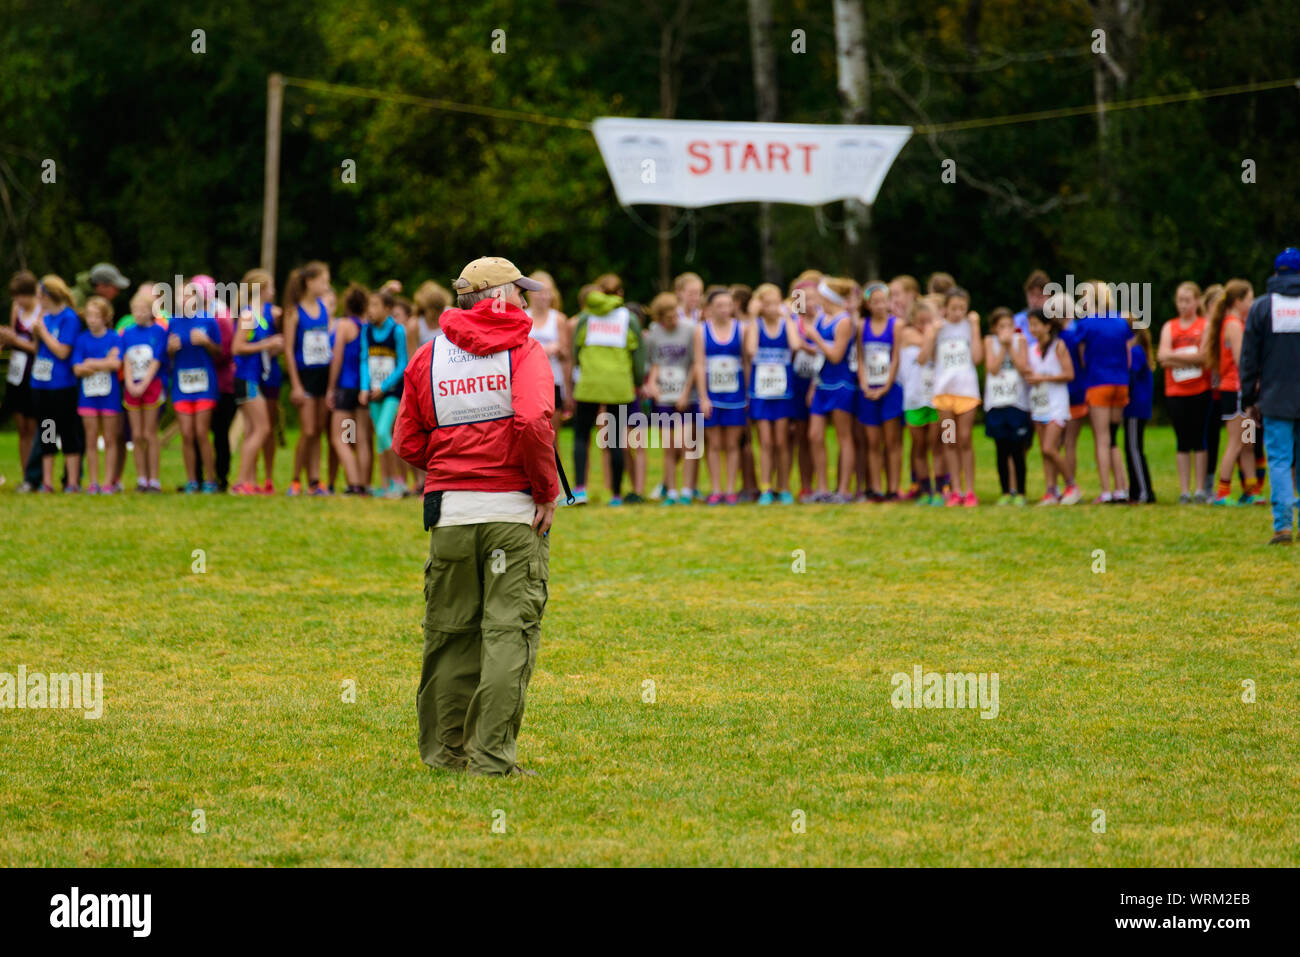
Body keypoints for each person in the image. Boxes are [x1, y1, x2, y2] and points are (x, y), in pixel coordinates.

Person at [392, 255, 558, 777]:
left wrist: (449, 467)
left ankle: (445, 754)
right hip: (513, 513)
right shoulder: (525, 351)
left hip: (450, 516)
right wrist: (546, 489)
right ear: (502, 297)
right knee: (508, 633)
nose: (527, 300)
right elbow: (533, 421)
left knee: (449, 635)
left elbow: (405, 440)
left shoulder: (428, 355)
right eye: (521, 291)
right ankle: (491, 760)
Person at [567, 274, 645, 506]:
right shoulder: (628, 318)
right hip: (618, 385)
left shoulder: (586, 316)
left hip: (589, 383)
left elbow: (576, 350)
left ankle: (580, 490)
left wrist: (581, 372)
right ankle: (617, 495)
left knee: (581, 436)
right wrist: (638, 380)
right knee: (616, 441)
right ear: (620, 293)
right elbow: (638, 355)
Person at [1239, 247, 1300, 544]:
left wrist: (1248, 396)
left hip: (1275, 397)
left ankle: (1283, 526)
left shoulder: (1262, 307)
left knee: (1278, 460)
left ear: (1276, 273)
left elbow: (1249, 357)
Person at [924, 287, 983, 506]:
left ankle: (970, 490)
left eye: (962, 308)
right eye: (953, 308)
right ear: (945, 309)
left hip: (966, 392)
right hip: (944, 394)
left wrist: (975, 326)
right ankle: (955, 489)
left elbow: (977, 357)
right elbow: (927, 357)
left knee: (965, 439)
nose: (958, 312)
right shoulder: (939, 329)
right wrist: (933, 333)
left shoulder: (969, 328)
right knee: (950, 439)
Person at [744, 283, 801, 504]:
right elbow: (750, 350)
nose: (771, 308)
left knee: (782, 442)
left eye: (775, 303)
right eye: (766, 304)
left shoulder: (786, 324)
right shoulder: (755, 326)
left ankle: (784, 486)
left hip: (782, 391)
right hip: (761, 392)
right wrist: (751, 317)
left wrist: (787, 318)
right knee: (765, 442)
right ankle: (766, 487)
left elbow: (795, 344)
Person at [1157, 280, 1214, 503]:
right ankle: (1184, 490)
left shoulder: (1204, 325)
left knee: (1199, 438)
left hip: (1200, 389)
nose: (1183, 305)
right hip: (1176, 391)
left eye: (1187, 300)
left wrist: (1174, 357)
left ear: (1197, 301)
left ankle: (1200, 489)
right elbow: (1161, 356)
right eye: (1179, 300)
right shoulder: (1169, 327)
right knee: (1182, 441)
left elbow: (1204, 357)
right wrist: (1187, 356)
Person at [1076, 284, 1133, 503]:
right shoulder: (1121, 322)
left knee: (1101, 438)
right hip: (1120, 383)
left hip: (1098, 383)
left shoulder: (1087, 324)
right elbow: (1127, 354)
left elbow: (1081, 355)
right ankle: (1122, 488)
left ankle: (1106, 491)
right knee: (1113, 438)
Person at [230, 276, 285, 495]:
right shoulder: (248, 315)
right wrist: (267, 343)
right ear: (261, 289)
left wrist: (270, 349)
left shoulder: (261, 316)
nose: (273, 290)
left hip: (254, 377)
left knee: (253, 429)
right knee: (262, 428)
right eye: (270, 287)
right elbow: (237, 347)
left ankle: (249, 482)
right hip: (246, 379)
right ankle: (242, 481)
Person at [1208, 279, 1262, 505]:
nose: (1252, 303)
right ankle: (1222, 493)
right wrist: (1256, 381)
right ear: (1238, 301)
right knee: (1236, 442)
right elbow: (1242, 361)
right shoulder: (1233, 324)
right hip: (1237, 390)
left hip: (1242, 390)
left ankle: (1251, 491)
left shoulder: (1234, 322)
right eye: (1249, 299)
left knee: (1248, 442)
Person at [643, 291, 699, 505]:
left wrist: (686, 392)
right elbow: (654, 364)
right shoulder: (655, 334)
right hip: (664, 397)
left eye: (675, 315)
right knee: (669, 446)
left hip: (686, 395)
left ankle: (687, 490)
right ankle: (671, 491)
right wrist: (651, 385)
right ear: (659, 318)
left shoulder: (689, 330)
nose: (673, 321)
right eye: (667, 318)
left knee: (687, 443)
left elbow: (695, 363)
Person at [282, 261, 333, 496]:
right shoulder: (294, 312)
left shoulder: (324, 308)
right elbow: (289, 350)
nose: (327, 284)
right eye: (323, 280)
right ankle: (295, 479)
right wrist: (295, 384)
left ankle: (315, 480)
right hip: (305, 376)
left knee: (320, 428)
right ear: (310, 282)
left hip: (323, 373)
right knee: (308, 429)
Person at [805, 277, 858, 503]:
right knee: (815, 435)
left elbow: (836, 355)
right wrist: (812, 386)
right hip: (821, 384)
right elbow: (819, 355)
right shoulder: (821, 317)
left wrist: (815, 337)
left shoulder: (843, 321)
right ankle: (823, 488)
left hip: (841, 384)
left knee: (843, 436)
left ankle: (844, 489)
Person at [29, 275, 84, 492]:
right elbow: (38, 351)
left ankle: (71, 482)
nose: (37, 300)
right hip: (40, 384)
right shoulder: (45, 317)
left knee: (68, 432)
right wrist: (36, 336)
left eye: (39, 295)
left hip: (61, 386)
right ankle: (47, 482)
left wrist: (42, 332)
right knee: (47, 431)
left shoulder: (68, 318)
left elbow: (62, 351)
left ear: (48, 295)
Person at [168, 282, 223, 493]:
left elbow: (220, 352)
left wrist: (207, 342)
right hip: (182, 385)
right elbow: (166, 356)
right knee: (187, 433)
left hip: (204, 384)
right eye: (181, 296)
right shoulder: (172, 323)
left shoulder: (208, 320)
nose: (184, 300)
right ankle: (192, 480)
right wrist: (170, 349)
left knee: (201, 432)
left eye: (188, 295)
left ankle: (210, 480)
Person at [695, 287, 746, 504]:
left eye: (728, 305)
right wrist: (703, 397)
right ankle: (716, 489)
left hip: (736, 394)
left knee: (733, 444)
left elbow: (746, 361)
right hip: (712, 394)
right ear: (709, 309)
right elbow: (698, 364)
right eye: (720, 306)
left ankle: (731, 489)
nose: (725, 310)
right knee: (714, 443)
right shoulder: (701, 331)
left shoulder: (741, 329)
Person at [856, 282, 904, 500]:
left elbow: (896, 358)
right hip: (868, 389)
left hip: (890, 389)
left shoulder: (896, 325)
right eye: (874, 302)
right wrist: (865, 384)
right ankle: (875, 487)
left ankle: (893, 487)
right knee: (872, 441)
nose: (879, 305)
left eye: (883, 301)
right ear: (868, 304)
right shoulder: (861, 326)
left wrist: (885, 386)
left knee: (892, 441)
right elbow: (860, 357)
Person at [1025, 303, 1077, 505]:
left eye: (1036, 324)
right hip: (1039, 405)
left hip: (1056, 405)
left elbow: (1069, 373)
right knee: (1044, 451)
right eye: (1030, 325)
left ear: (1047, 326)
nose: (1032, 329)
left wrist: (1043, 379)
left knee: (1050, 448)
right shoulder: (1032, 349)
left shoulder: (1059, 346)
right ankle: (1051, 490)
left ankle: (1071, 485)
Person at [360, 290, 409, 498]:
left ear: (387, 309)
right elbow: (364, 359)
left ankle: (398, 481)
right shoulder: (367, 330)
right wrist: (365, 387)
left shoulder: (397, 331)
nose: (371, 310)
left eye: (375, 305)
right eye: (369, 305)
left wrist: (385, 386)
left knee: (382, 431)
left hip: (391, 392)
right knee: (380, 438)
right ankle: (385, 484)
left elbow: (402, 363)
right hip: (373, 392)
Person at [71, 296, 123, 493]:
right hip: (88, 396)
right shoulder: (81, 339)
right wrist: (102, 363)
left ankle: (108, 482)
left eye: (96, 316)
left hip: (109, 396)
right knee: (90, 439)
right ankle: (93, 482)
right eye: (89, 316)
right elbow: (77, 369)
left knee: (110, 439)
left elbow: (116, 364)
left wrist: (90, 364)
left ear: (105, 317)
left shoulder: (114, 338)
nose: (92, 320)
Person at [120, 284, 168, 491]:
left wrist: (144, 384)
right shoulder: (127, 333)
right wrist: (131, 384)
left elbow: (157, 361)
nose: (138, 314)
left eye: (143, 310)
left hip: (152, 386)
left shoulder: (159, 332)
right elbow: (126, 361)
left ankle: (154, 479)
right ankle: (141, 478)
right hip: (132, 388)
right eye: (135, 310)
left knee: (150, 433)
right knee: (136, 435)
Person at [982, 307, 1032, 505]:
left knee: (1017, 450)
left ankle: (1020, 492)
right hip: (996, 403)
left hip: (1016, 403)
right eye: (1001, 326)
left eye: (1009, 326)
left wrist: (1010, 346)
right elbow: (992, 369)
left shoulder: (1021, 341)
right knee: (1001, 450)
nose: (1006, 330)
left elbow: (1022, 368)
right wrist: (1002, 347)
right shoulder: (989, 342)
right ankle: (1005, 491)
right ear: (994, 328)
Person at [325, 283, 370, 495]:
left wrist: (331, 388)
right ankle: (363, 483)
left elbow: (337, 358)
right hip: (363, 388)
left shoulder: (344, 325)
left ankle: (352, 482)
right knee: (358, 438)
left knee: (339, 438)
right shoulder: (367, 325)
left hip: (345, 386)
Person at [898, 297, 941, 504]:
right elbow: (923, 356)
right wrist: (932, 334)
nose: (924, 326)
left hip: (934, 399)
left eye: (928, 321)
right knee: (920, 447)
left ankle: (941, 489)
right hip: (914, 399)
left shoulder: (933, 336)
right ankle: (924, 489)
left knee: (938, 445)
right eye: (920, 322)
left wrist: (933, 335)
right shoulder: (907, 334)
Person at [0, 271, 41, 485]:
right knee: (21, 426)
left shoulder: (41, 312)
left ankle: (36, 474)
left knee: (35, 426)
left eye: (19, 296)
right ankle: (25, 475)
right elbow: (13, 340)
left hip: (34, 372)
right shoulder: (18, 310)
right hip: (17, 372)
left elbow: (38, 347)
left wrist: (14, 339)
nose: (16, 301)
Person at [526, 271, 569, 443]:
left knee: (552, 438)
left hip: (553, 381)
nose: (544, 297)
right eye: (540, 292)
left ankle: (554, 470)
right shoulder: (523, 317)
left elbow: (567, 355)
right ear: (530, 293)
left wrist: (558, 348)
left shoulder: (558, 319)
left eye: (548, 292)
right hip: (529, 380)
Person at [1123, 316, 1156, 504]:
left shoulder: (1135, 352)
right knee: (1131, 448)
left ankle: (1144, 492)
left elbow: (1130, 378)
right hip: (1134, 408)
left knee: (1134, 449)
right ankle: (1135, 491)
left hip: (1135, 407)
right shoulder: (1137, 350)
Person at [1013, 270, 1049, 347]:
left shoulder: (1057, 321)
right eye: (1032, 295)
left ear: (1048, 296)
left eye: (1040, 296)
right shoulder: (1016, 321)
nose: (1035, 301)